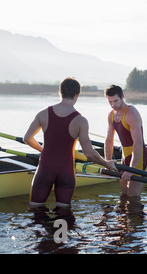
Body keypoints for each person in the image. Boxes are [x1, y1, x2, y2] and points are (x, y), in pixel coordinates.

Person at [23, 77, 117, 207]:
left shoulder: (43, 114)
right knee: (63, 214)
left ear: (60, 92)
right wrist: (106, 164)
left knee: (35, 211)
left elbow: (27, 138)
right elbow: (88, 153)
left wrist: (44, 150)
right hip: (66, 173)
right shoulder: (81, 121)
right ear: (77, 95)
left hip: (45, 169)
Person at [104, 85, 147, 198]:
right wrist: (107, 162)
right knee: (124, 195)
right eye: (110, 102)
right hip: (125, 157)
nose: (113, 105)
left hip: (138, 158)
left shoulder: (131, 113)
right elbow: (109, 140)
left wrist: (132, 168)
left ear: (122, 96)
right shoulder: (111, 115)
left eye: (116, 101)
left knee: (132, 197)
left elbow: (138, 142)